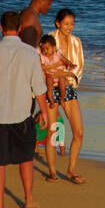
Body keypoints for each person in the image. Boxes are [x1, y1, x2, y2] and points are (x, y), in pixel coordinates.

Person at [0, 11, 49, 208]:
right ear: (20, 28)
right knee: (26, 158)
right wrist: (45, 111)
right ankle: (29, 199)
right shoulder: (31, 53)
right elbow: (39, 87)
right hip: (21, 114)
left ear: (1, 28)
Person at [51, 8, 85, 184]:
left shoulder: (76, 42)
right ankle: (51, 169)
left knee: (79, 132)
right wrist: (61, 74)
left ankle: (71, 169)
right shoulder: (49, 40)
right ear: (58, 23)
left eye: (72, 24)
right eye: (66, 24)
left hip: (70, 88)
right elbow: (43, 62)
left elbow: (78, 66)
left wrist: (68, 76)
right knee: (52, 129)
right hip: (51, 87)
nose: (69, 27)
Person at [38, 34, 73, 181]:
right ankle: (52, 101)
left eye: (48, 48)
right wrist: (53, 67)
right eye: (43, 49)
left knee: (63, 81)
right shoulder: (43, 57)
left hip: (61, 77)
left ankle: (63, 99)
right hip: (51, 78)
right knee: (51, 82)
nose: (46, 51)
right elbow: (42, 68)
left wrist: (71, 64)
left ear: (54, 48)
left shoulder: (58, 53)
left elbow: (65, 61)